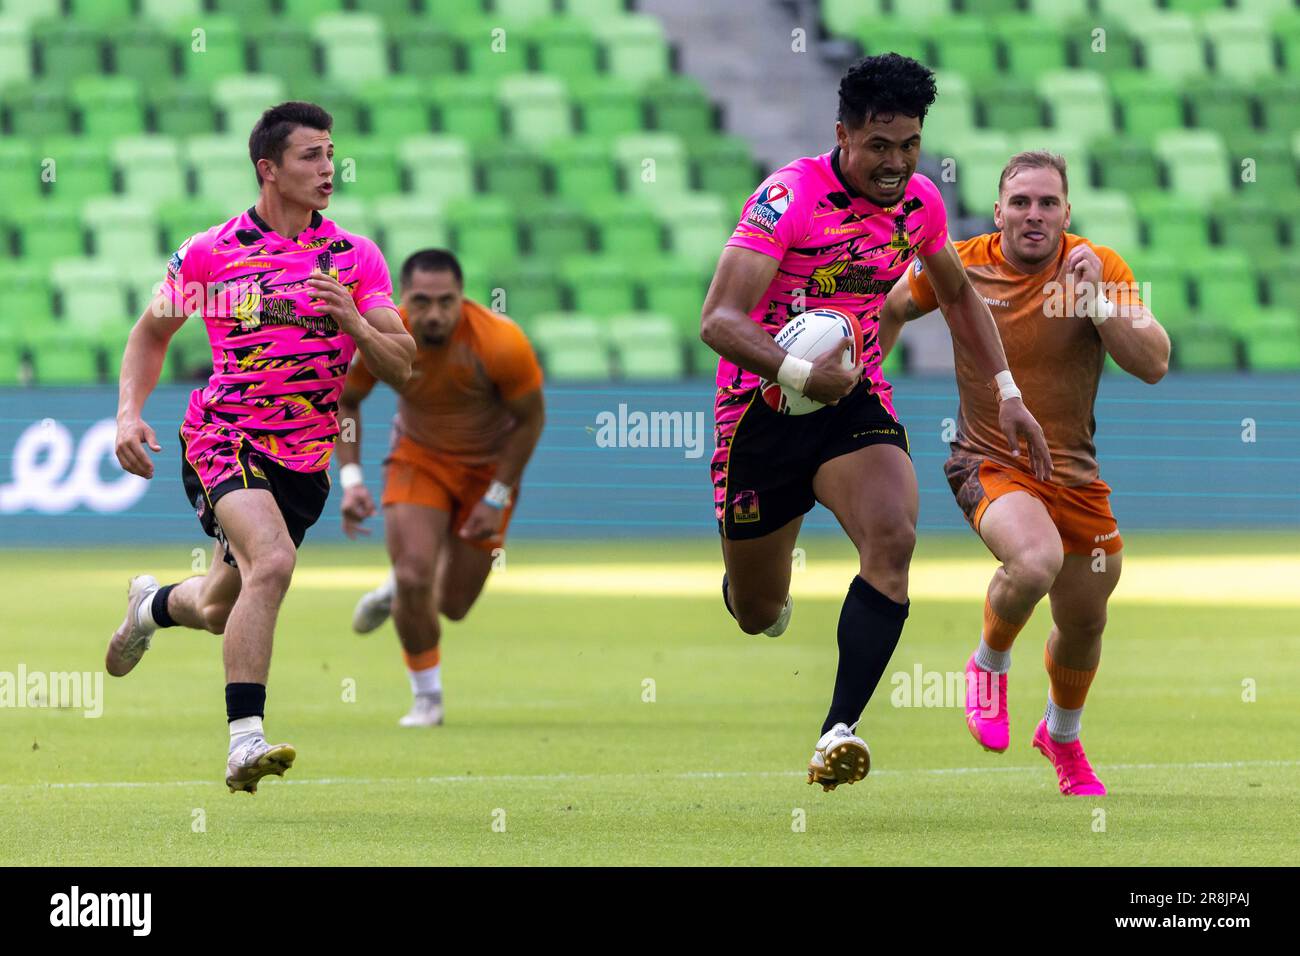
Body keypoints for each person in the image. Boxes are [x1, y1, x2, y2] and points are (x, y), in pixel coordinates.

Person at [701, 54, 1050, 792]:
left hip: (852, 400)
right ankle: (749, 592)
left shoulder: (920, 203)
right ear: (843, 136)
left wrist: (1010, 392)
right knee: (758, 611)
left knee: (893, 539)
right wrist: (800, 373)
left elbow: (959, 299)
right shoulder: (785, 198)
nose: (897, 164)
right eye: (880, 147)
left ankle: (838, 731)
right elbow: (719, 320)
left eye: (910, 145)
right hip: (761, 413)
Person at [106, 102, 415, 794]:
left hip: (304, 459)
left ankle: (148, 606)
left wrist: (353, 324)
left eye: (331, 153)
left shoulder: (354, 257)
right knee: (271, 561)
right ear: (267, 169)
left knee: (219, 606)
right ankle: (244, 740)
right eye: (311, 156)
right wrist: (128, 414)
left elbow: (403, 364)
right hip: (225, 435)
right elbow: (150, 335)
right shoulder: (211, 251)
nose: (328, 168)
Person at [878, 150, 1170, 795]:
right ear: (997, 211)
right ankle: (988, 663)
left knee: (1085, 621)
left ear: (1067, 212)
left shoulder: (1096, 265)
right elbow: (892, 306)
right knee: (1033, 562)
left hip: (1075, 478)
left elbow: (1153, 362)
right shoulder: (962, 264)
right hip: (989, 461)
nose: (1033, 215)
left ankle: (1061, 738)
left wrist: (1096, 300)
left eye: (1047, 203)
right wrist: (865, 384)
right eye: (1020, 202)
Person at [338, 250, 545, 727]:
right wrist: (351, 482)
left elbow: (531, 419)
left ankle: (400, 589)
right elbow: (345, 402)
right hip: (419, 459)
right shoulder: (383, 334)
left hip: (486, 472)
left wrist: (496, 496)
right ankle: (427, 697)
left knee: (452, 605)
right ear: (403, 298)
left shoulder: (500, 341)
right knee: (415, 577)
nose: (434, 313)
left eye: (446, 301)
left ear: (462, 297)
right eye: (423, 301)